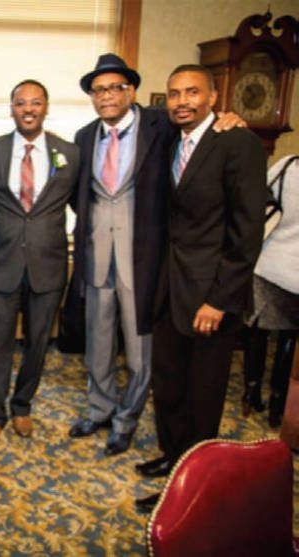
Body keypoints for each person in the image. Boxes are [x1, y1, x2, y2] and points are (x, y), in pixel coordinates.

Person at [69, 53, 244, 456]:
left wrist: (230, 119)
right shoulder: (83, 136)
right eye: (98, 90)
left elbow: (200, 129)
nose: (106, 96)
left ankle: (126, 420)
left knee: (140, 351)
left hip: (144, 261)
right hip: (97, 257)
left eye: (115, 88)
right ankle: (100, 408)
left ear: (131, 91)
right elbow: (82, 198)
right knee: (98, 343)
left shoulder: (161, 125)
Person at [135, 64, 266, 513]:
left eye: (193, 92)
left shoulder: (239, 144)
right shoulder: (170, 138)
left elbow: (247, 234)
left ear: (214, 96)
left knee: (203, 396)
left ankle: (193, 487)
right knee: (169, 386)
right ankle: (175, 459)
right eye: (174, 94)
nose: (182, 101)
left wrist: (219, 299)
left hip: (210, 296)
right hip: (169, 289)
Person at [0, 80, 79, 448]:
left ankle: (22, 405)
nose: (29, 109)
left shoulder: (71, 153)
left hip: (48, 266)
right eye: (21, 103)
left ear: (46, 107)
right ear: (12, 108)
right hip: (0, 263)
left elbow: (85, 205)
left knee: (38, 343)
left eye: (36, 103)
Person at [242, 155, 299, 427]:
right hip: (295, 272)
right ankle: (279, 402)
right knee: (290, 338)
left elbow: (258, 196)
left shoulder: (287, 165)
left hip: (269, 263)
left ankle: (251, 393)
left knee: (257, 331)